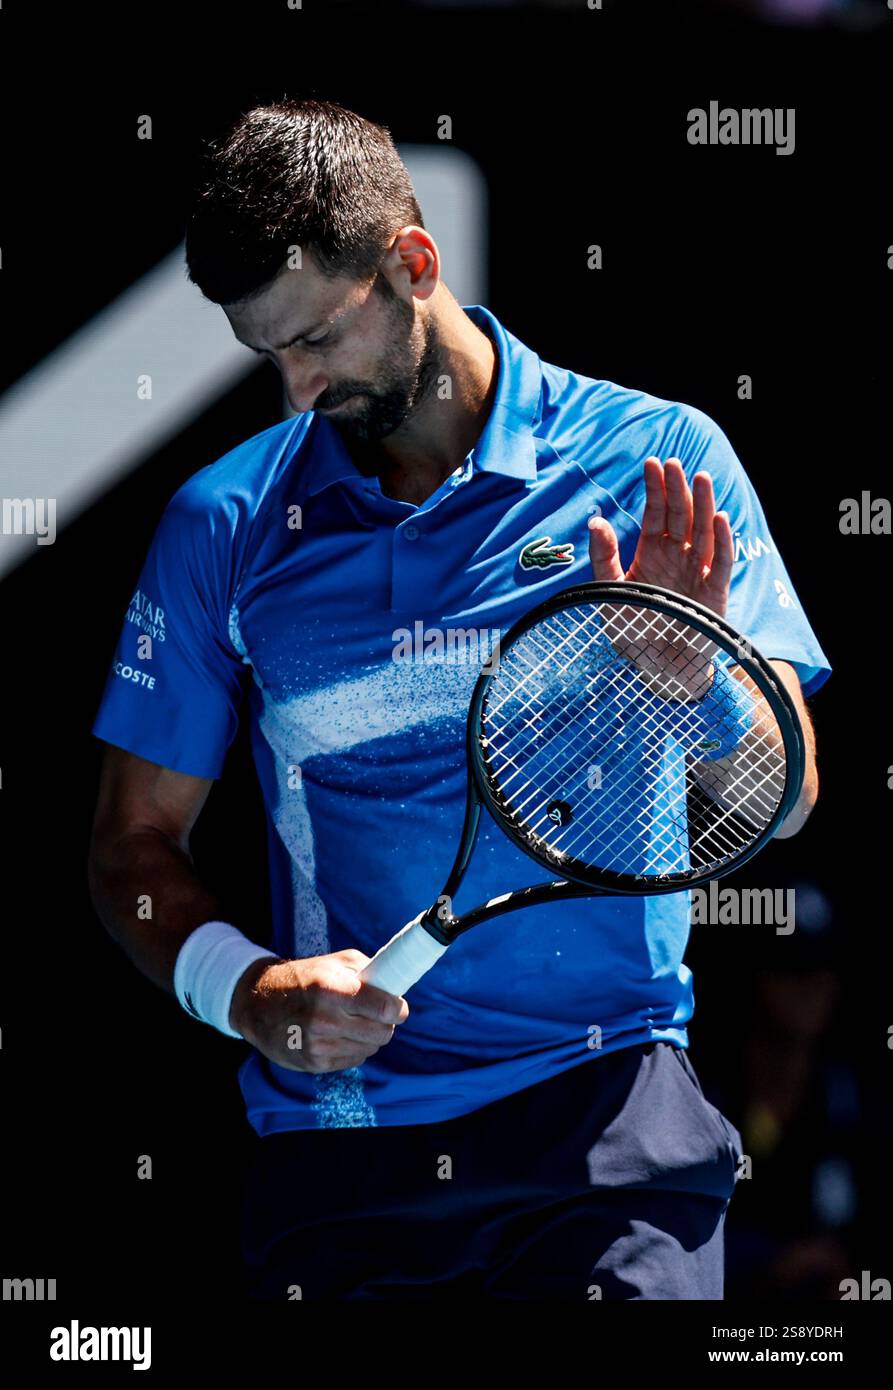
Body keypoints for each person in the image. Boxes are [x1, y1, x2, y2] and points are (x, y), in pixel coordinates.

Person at [87, 97, 829, 1300]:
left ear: (410, 265)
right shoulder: (221, 523)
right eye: (264, 354)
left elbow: (781, 799)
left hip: (605, 1128)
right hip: (342, 1153)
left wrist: (695, 685)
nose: (293, 387)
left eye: (314, 339)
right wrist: (248, 989)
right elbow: (130, 845)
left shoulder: (657, 460)